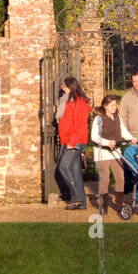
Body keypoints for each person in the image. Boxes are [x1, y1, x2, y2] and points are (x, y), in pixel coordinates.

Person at [91, 94, 135, 218]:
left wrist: (131, 138)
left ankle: (119, 205)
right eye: (112, 105)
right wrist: (107, 142)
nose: (114, 107)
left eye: (115, 105)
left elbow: (123, 131)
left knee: (120, 178)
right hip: (102, 153)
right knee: (104, 180)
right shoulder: (99, 119)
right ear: (105, 106)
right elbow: (94, 137)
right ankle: (103, 206)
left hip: (116, 152)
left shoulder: (117, 117)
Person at [55, 76, 91, 210]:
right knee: (75, 171)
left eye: (64, 87)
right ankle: (81, 202)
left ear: (70, 87)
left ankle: (76, 198)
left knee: (63, 167)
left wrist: (72, 141)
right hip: (69, 139)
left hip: (75, 140)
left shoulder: (78, 102)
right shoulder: (69, 100)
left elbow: (80, 124)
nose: (62, 89)